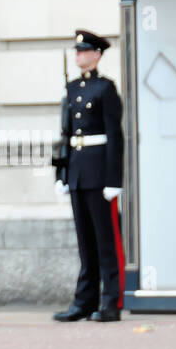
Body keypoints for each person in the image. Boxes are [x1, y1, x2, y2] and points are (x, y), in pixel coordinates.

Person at [53, 29, 125, 323]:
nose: (78, 54)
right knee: (85, 242)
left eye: (83, 50)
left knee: (106, 240)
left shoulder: (106, 89)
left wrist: (114, 180)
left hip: (99, 174)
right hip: (78, 172)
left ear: (97, 54)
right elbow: (65, 134)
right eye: (77, 50)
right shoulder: (71, 89)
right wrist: (61, 172)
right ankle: (85, 301)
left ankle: (111, 301)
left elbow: (115, 137)